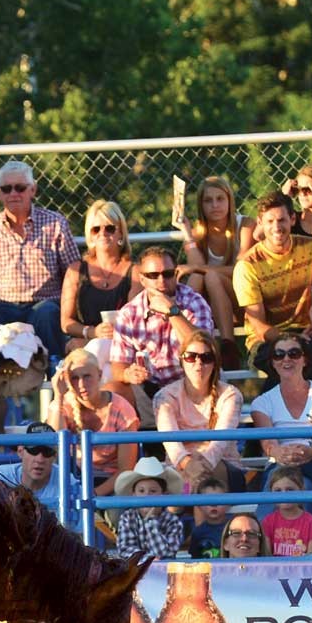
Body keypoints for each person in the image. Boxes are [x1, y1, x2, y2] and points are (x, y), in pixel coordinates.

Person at [0, 160, 77, 360]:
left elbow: (73, 274)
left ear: (33, 190)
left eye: (20, 188)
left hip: (43, 303)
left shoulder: (55, 224)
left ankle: (55, 372)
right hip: (1, 306)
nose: (13, 194)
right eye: (6, 189)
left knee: (49, 313)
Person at [235, 192, 312, 384]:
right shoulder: (248, 265)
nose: (276, 227)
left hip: (309, 330)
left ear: (293, 219)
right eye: (270, 221)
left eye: (281, 220)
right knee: (291, 354)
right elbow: (259, 327)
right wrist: (293, 339)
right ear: (260, 223)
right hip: (265, 340)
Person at [108, 246, 214, 417]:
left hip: (193, 382)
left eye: (168, 274)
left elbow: (202, 349)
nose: (161, 281)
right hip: (148, 387)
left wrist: (172, 311)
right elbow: (118, 366)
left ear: (176, 273)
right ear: (142, 280)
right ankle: (125, 443)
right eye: (152, 276)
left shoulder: (194, 302)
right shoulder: (129, 313)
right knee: (112, 390)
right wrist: (129, 374)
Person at [248, 332, 312, 493]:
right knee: (300, 486)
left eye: (294, 353)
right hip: (280, 465)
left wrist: (307, 454)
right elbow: (271, 448)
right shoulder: (261, 403)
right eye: (279, 355)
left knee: (281, 481)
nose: (286, 359)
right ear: (273, 363)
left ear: (305, 360)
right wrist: (285, 456)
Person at [153, 330, 242, 488]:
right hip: (180, 469)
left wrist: (200, 466)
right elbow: (171, 443)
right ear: (182, 361)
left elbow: (220, 443)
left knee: (206, 476)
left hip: (222, 467)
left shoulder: (231, 395)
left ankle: (183, 503)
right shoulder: (164, 397)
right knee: (182, 478)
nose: (198, 363)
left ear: (215, 363)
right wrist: (188, 464)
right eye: (191, 357)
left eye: (206, 358)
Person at [52, 347, 138, 493]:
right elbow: (53, 447)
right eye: (74, 378)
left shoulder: (121, 409)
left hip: (113, 483)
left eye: (87, 376)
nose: (81, 384)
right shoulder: (62, 405)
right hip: (72, 480)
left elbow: (126, 469)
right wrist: (58, 396)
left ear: (99, 375)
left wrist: (92, 496)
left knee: (115, 514)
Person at [57, 199, 138, 349]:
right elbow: (66, 322)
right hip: (85, 345)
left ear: (121, 232)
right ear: (90, 235)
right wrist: (92, 333)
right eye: (96, 229)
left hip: (122, 344)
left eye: (110, 228)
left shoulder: (134, 272)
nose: (103, 233)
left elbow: (135, 320)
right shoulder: (75, 271)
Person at [178, 175, 247, 350]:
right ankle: (184, 335)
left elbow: (241, 271)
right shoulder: (198, 233)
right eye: (208, 200)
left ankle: (228, 347)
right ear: (201, 205)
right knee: (201, 275)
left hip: (243, 297)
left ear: (230, 200)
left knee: (210, 276)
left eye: (220, 199)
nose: (215, 205)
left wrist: (198, 268)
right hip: (212, 304)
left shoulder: (245, 225)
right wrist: (187, 234)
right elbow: (196, 271)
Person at [112, 458, 186, 560]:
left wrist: (151, 520)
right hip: (135, 571)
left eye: (153, 491)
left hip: (163, 571)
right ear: (134, 494)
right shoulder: (127, 517)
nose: (146, 495)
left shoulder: (172, 521)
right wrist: (148, 559)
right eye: (141, 491)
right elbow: (125, 549)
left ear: (163, 494)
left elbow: (167, 553)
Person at [0, 422, 62, 515]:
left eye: (47, 452)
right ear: (20, 451)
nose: (40, 459)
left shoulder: (67, 483)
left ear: (55, 456)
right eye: (33, 450)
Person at [261, 466, 312, 557]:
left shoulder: (311, 522)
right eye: (278, 490)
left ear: (301, 490)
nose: (284, 495)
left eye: (290, 489)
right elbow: (266, 556)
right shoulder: (268, 521)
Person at [187, 479, 230, 556]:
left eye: (219, 500)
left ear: (228, 504)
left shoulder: (233, 528)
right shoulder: (198, 532)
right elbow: (195, 558)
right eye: (208, 500)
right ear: (199, 506)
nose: (213, 504)